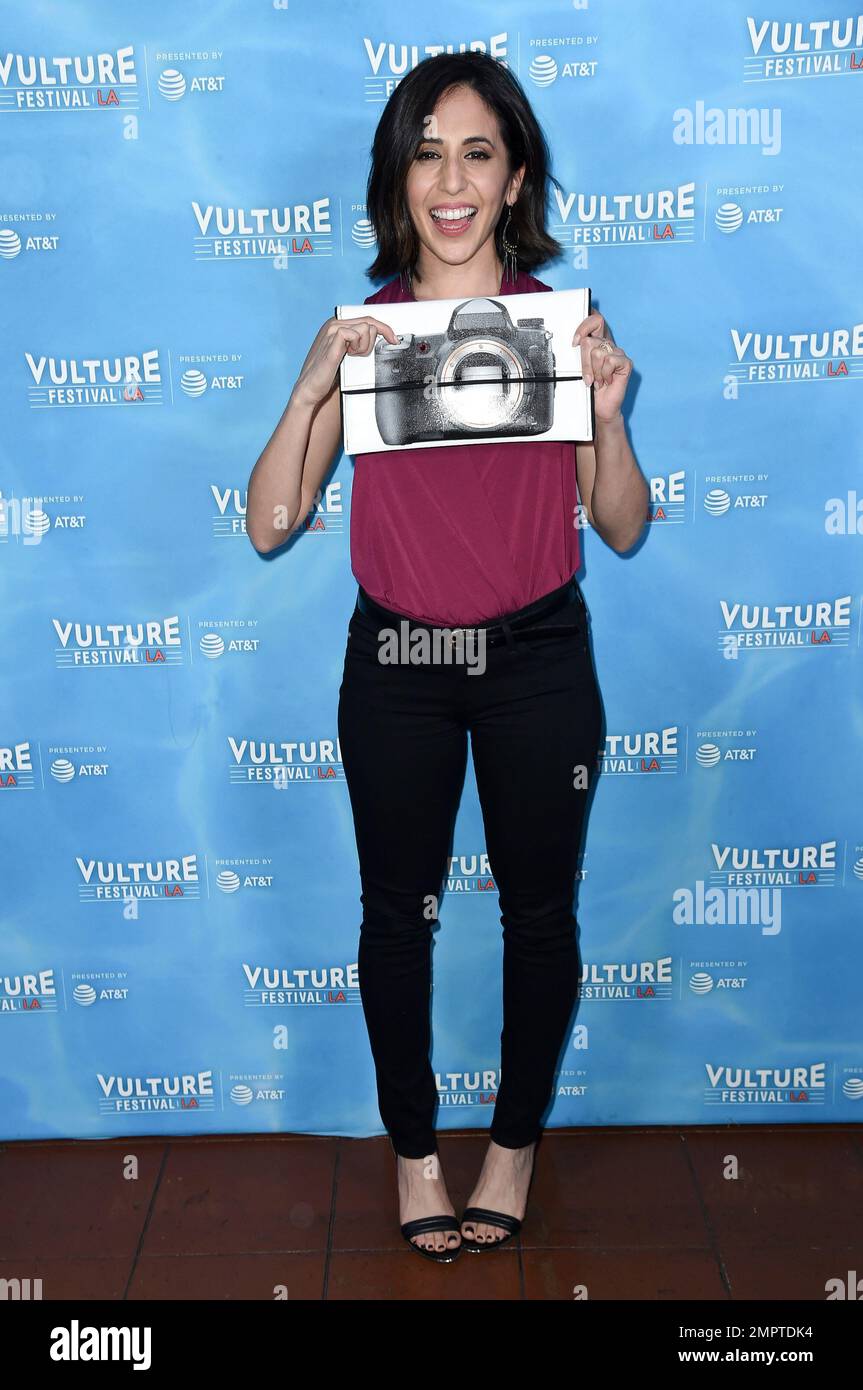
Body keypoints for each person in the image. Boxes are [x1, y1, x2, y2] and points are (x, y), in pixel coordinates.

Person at [247, 51, 647, 1263]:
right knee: (395, 916)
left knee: (539, 913)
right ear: (397, 176)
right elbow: (269, 525)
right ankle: (415, 1152)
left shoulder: (564, 328)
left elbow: (620, 525)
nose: (451, 179)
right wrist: (312, 388)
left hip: (537, 658)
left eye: (476, 150)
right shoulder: (364, 332)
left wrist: (609, 415)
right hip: (398, 666)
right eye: (426, 151)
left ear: (514, 172)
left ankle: (512, 1146)